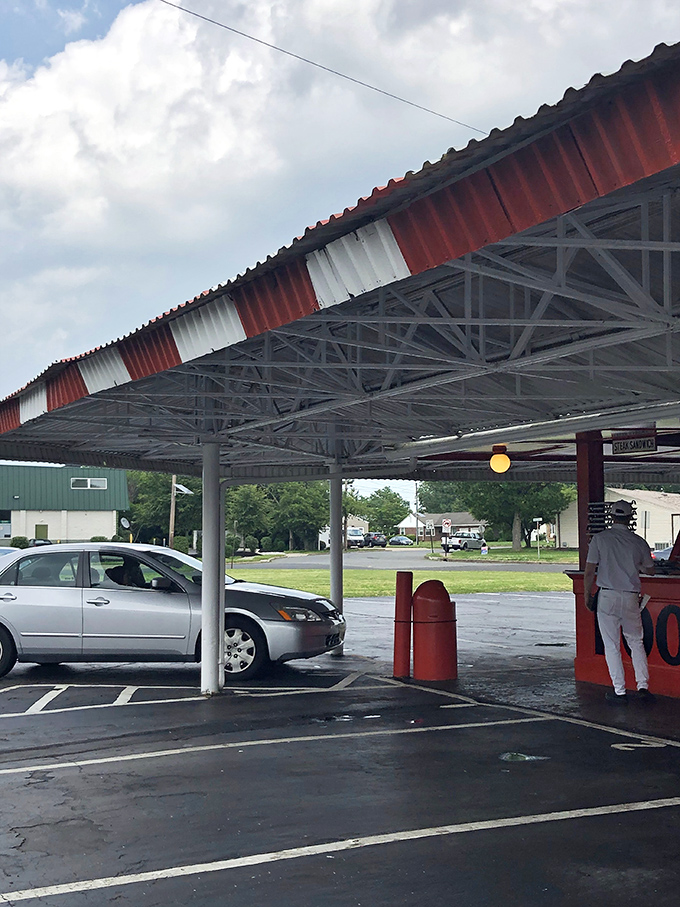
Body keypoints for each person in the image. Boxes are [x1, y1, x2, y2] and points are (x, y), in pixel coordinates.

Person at [583, 499, 655, 705]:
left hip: (607, 596)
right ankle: (643, 686)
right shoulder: (639, 541)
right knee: (635, 641)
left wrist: (588, 595)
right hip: (631, 595)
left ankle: (620, 690)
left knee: (612, 645)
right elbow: (651, 570)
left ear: (611, 516)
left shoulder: (600, 539)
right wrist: (637, 565)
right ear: (630, 517)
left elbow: (589, 571)